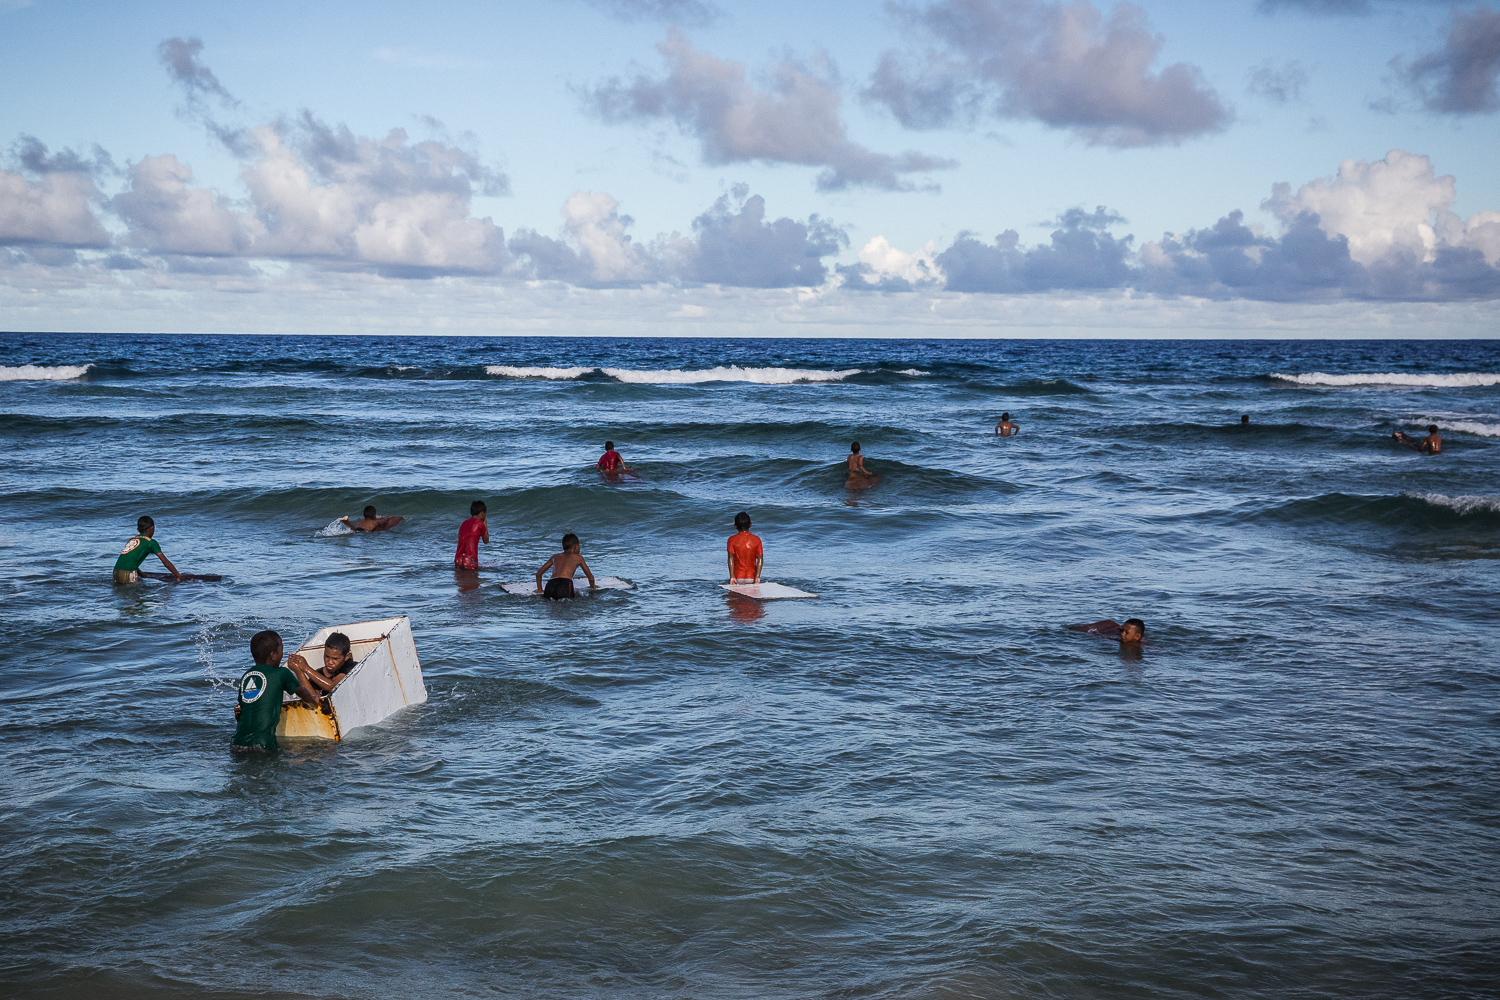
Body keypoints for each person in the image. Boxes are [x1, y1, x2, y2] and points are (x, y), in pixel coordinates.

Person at [231, 629, 321, 753]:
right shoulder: (281, 673)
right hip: (264, 745)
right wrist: (313, 701)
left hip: (237, 743)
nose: (282, 654)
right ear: (273, 655)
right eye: (281, 650)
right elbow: (303, 692)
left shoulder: (247, 676)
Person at [113, 515, 181, 584]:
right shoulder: (150, 542)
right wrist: (178, 576)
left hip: (116, 571)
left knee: (122, 592)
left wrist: (142, 574)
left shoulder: (132, 540)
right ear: (151, 528)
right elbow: (165, 562)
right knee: (133, 594)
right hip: (129, 573)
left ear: (138, 530)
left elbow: (130, 560)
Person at [288, 631, 356, 696]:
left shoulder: (352, 667)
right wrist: (299, 672)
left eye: (335, 659)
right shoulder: (318, 674)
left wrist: (306, 668)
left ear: (346, 657)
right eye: (327, 656)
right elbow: (314, 699)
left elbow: (332, 686)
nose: (330, 662)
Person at [534, 533, 597, 599]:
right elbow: (590, 577)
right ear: (575, 547)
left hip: (550, 584)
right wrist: (593, 587)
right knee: (567, 606)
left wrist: (540, 589)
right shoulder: (578, 558)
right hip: (565, 584)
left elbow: (539, 573)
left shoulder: (555, 556)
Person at [726, 511, 763, 584]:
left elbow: (730, 559)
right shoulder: (757, 539)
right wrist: (757, 576)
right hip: (752, 577)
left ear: (735, 526)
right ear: (750, 525)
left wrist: (732, 576)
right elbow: (760, 559)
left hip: (737, 577)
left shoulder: (731, 539)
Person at [454, 500, 489, 570]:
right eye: (485, 514)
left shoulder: (464, 523)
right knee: (473, 580)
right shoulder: (480, 524)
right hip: (470, 560)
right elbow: (486, 540)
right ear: (482, 513)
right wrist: (485, 525)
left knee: (460, 580)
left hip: (458, 559)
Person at [1068, 618, 1146, 646]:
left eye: (1126, 632)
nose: (1122, 634)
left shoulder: (1142, 646)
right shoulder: (1120, 639)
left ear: (1137, 637)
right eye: (1122, 631)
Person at [340, 506, 404, 532]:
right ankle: (346, 522)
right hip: (365, 531)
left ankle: (346, 521)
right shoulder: (374, 522)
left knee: (354, 529)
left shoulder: (361, 520)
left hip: (359, 528)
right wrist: (388, 518)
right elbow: (383, 522)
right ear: (374, 516)